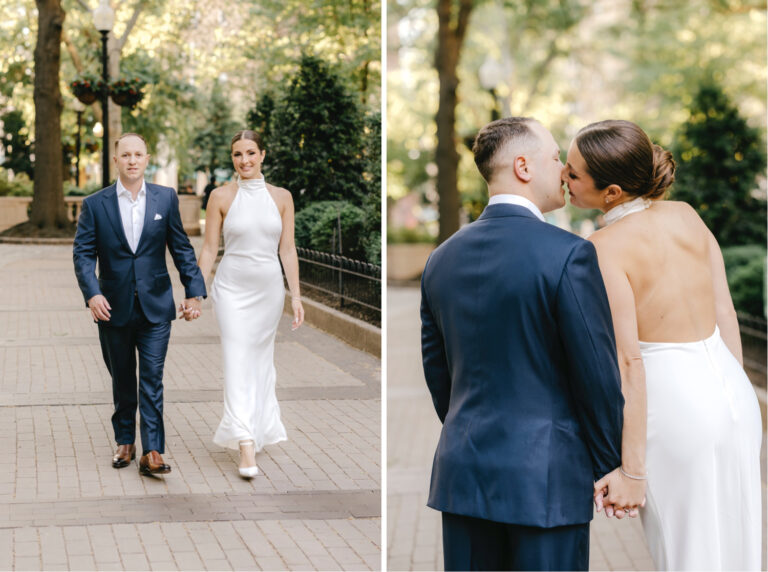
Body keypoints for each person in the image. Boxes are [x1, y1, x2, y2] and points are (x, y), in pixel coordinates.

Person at [420, 117, 626, 571]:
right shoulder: (568, 253)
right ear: (523, 167)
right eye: (556, 158)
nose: (564, 171)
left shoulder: (441, 259)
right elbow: (596, 373)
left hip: (464, 476)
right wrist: (611, 463)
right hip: (547, 482)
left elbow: (440, 377)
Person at [565, 119, 763, 570]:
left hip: (675, 411)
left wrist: (631, 471)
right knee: (739, 546)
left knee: (686, 552)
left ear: (611, 191)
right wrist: (738, 398)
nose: (563, 177)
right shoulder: (686, 214)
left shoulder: (602, 247)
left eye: (573, 173)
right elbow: (725, 311)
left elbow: (629, 361)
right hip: (735, 396)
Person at [73, 133, 206, 476]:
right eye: (125, 155)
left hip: (156, 307)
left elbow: (181, 248)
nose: (132, 160)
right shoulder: (95, 204)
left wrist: (193, 291)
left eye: (138, 155)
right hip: (112, 307)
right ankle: (125, 441)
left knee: (151, 378)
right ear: (115, 160)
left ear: (147, 160)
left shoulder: (165, 199)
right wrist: (92, 293)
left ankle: (154, 451)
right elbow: (83, 254)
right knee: (122, 379)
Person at [195, 129, 304, 478]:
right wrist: (196, 290)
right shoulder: (220, 197)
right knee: (237, 358)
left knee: (260, 363)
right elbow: (211, 248)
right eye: (238, 155)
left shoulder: (282, 197)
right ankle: (244, 443)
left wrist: (297, 296)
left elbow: (287, 249)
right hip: (231, 290)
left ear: (263, 155)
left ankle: (256, 427)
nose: (245, 160)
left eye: (251, 153)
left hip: (269, 292)